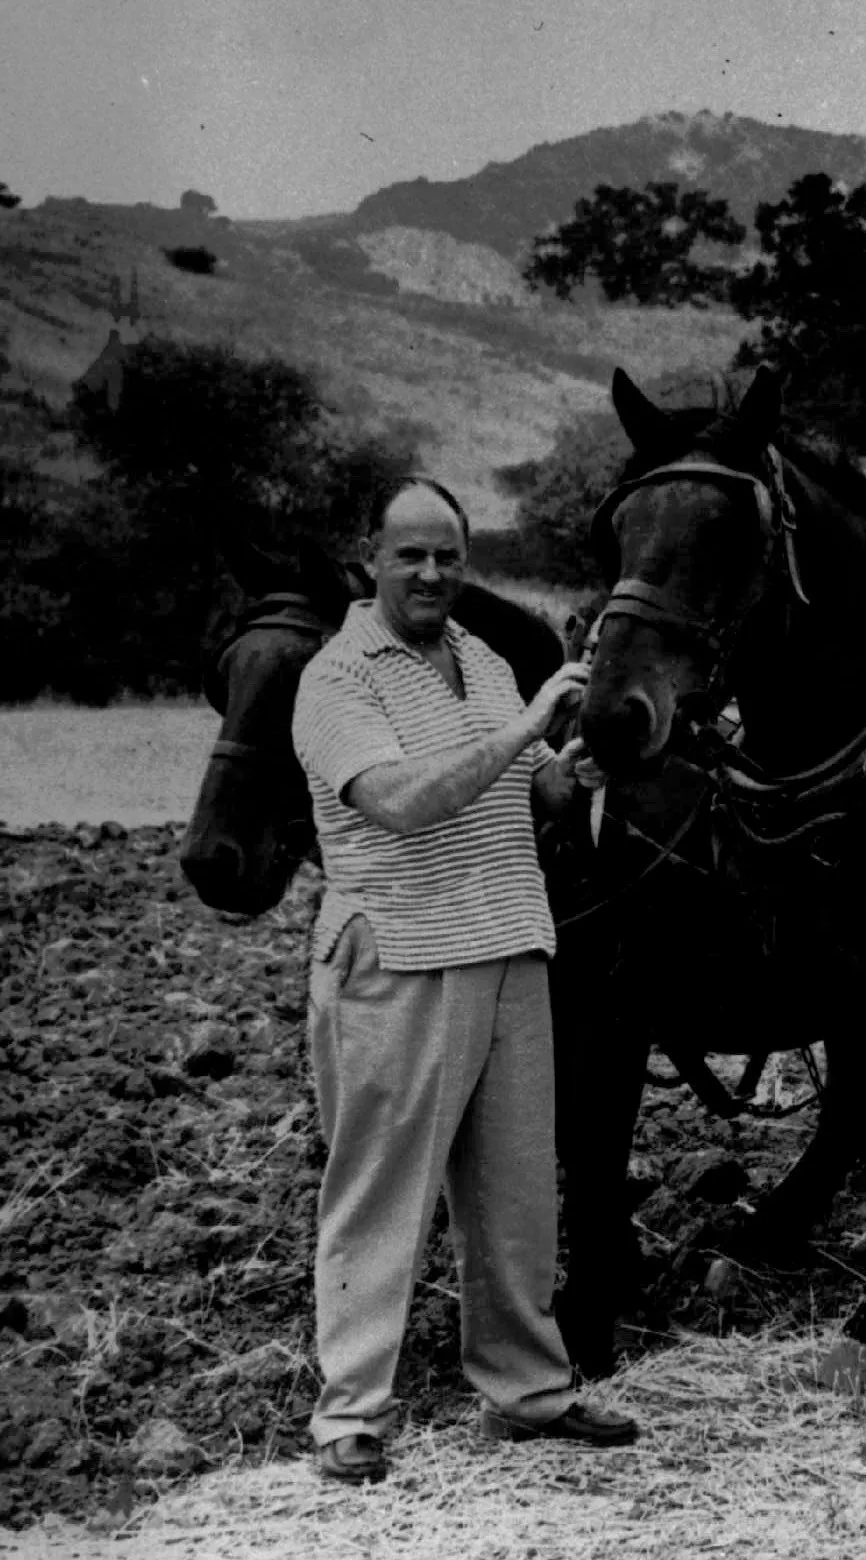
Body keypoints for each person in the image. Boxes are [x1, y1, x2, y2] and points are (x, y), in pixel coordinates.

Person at [291, 477, 636, 1484]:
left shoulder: (479, 662)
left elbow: (529, 791)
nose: (433, 573)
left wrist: (573, 768)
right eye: (411, 555)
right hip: (398, 956)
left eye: (448, 554)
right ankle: (349, 1414)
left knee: (519, 1193)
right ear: (370, 557)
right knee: (379, 1194)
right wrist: (527, 728)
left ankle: (526, 1390)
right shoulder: (338, 679)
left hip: (507, 943)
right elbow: (399, 802)